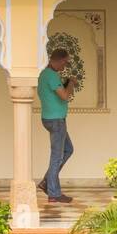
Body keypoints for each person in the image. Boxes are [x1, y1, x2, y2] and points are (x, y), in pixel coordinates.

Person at [38, 47, 77, 203]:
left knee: (68, 150)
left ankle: (47, 181)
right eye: (65, 63)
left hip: (51, 119)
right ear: (60, 60)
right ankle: (53, 193)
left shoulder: (44, 74)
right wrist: (72, 83)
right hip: (55, 120)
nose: (65, 66)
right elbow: (65, 96)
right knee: (56, 156)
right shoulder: (52, 75)